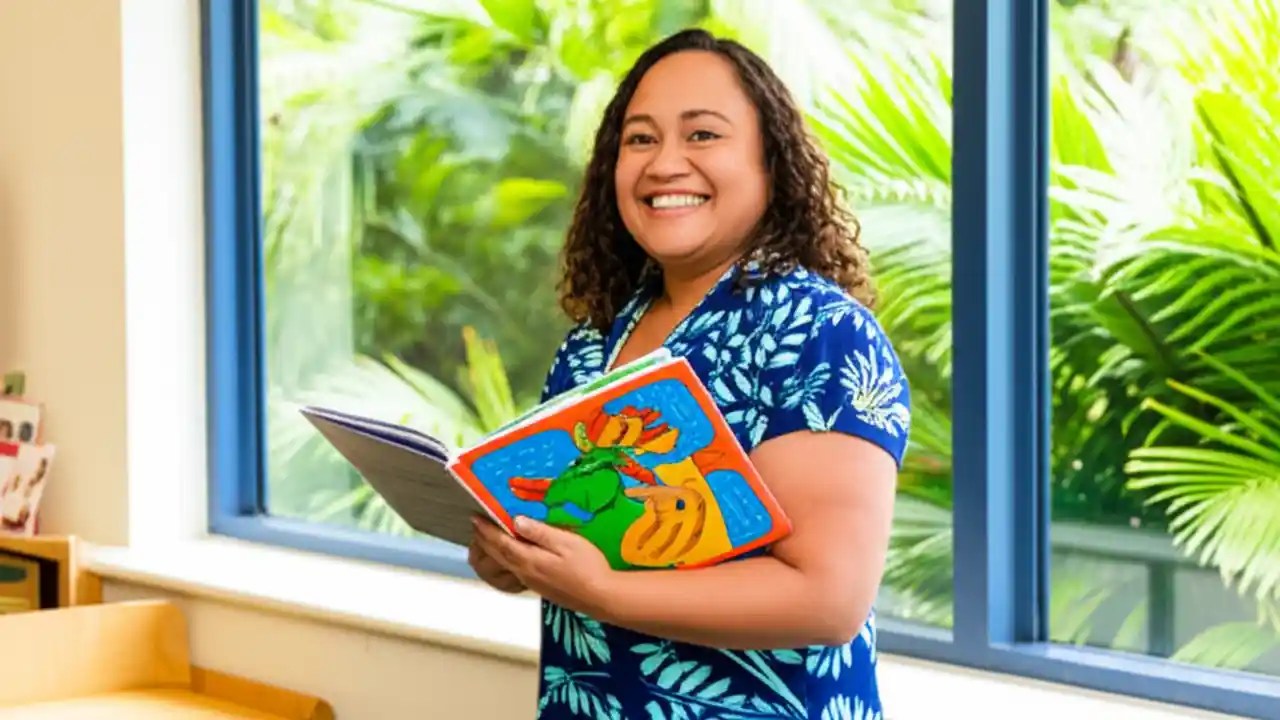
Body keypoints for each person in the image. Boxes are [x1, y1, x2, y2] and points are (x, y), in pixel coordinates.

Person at [470, 27, 910, 720]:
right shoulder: (591, 347)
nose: (664, 162)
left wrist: (601, 589)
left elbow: (828, 599)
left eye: (702, 135)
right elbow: (591, 538)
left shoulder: (821, 335)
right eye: (640, 140)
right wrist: (523, 559)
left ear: (773, 164)